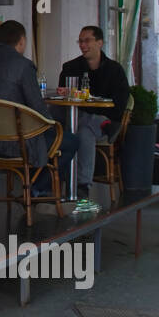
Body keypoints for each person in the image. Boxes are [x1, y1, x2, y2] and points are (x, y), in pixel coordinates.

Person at [0, 19, 79, 198]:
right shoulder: (23, 65)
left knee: (55, 137)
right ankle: (38, 187)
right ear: (21, 41)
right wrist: (52, 124)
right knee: (71, 141)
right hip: (18, 143)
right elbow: (37, 106)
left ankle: (37, 186)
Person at [58, 25, 131, 192]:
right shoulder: (70, 68)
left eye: (87, 41)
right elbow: (63, 98)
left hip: (104, 119)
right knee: (79, 127)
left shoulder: (115, 70)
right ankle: (82, 185)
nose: (83, 45)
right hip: (79, 119)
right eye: (80, 41)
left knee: (84, 131)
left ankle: (81, 185)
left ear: (100, 43)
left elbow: (119, 105)